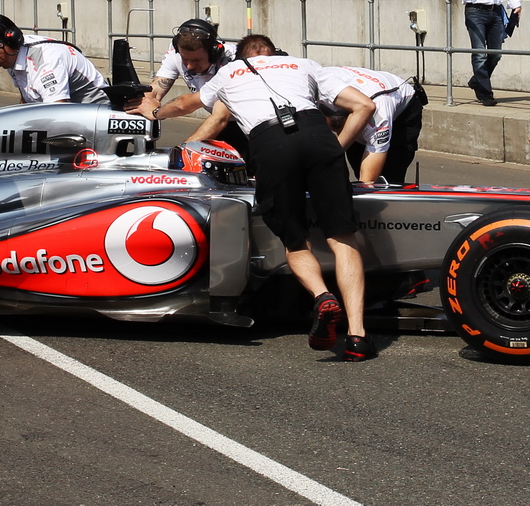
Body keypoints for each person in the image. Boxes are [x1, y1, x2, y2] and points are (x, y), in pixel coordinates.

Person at [147, 34, 380, 360]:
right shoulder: (305, 64)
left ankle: (322, 296)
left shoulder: (229, 72)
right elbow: (365, 105)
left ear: (240, 57)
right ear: (274, 53)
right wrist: (335, 149)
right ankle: (358, 337)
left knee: (294, 240)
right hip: (318, 136)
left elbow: (189, 103)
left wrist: (155, 112)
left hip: (271, 142)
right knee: (342, 236)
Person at [135, 18, 245, 153]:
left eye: (196, 60)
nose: (189, 66)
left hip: (246, 124)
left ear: (213, 52)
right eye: (185, 59)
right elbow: (155, 92)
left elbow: (220, 117)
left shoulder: (232, 62)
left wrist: (179, 154)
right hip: (222, 121)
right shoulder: (176, 55)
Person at [317, 65, 427, 185]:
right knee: (356, 161)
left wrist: (366, 188)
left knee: (390, 173)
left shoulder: (379, 117)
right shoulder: (318, 88)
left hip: (401, 107)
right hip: (358, 84)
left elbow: (368, 180)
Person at [0, 13, 108, 104]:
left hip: (96, 114)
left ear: (12, 39)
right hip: (69, 114)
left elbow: (57, 112)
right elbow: (26, 100)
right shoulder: (12, 55)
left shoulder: (47, 60)